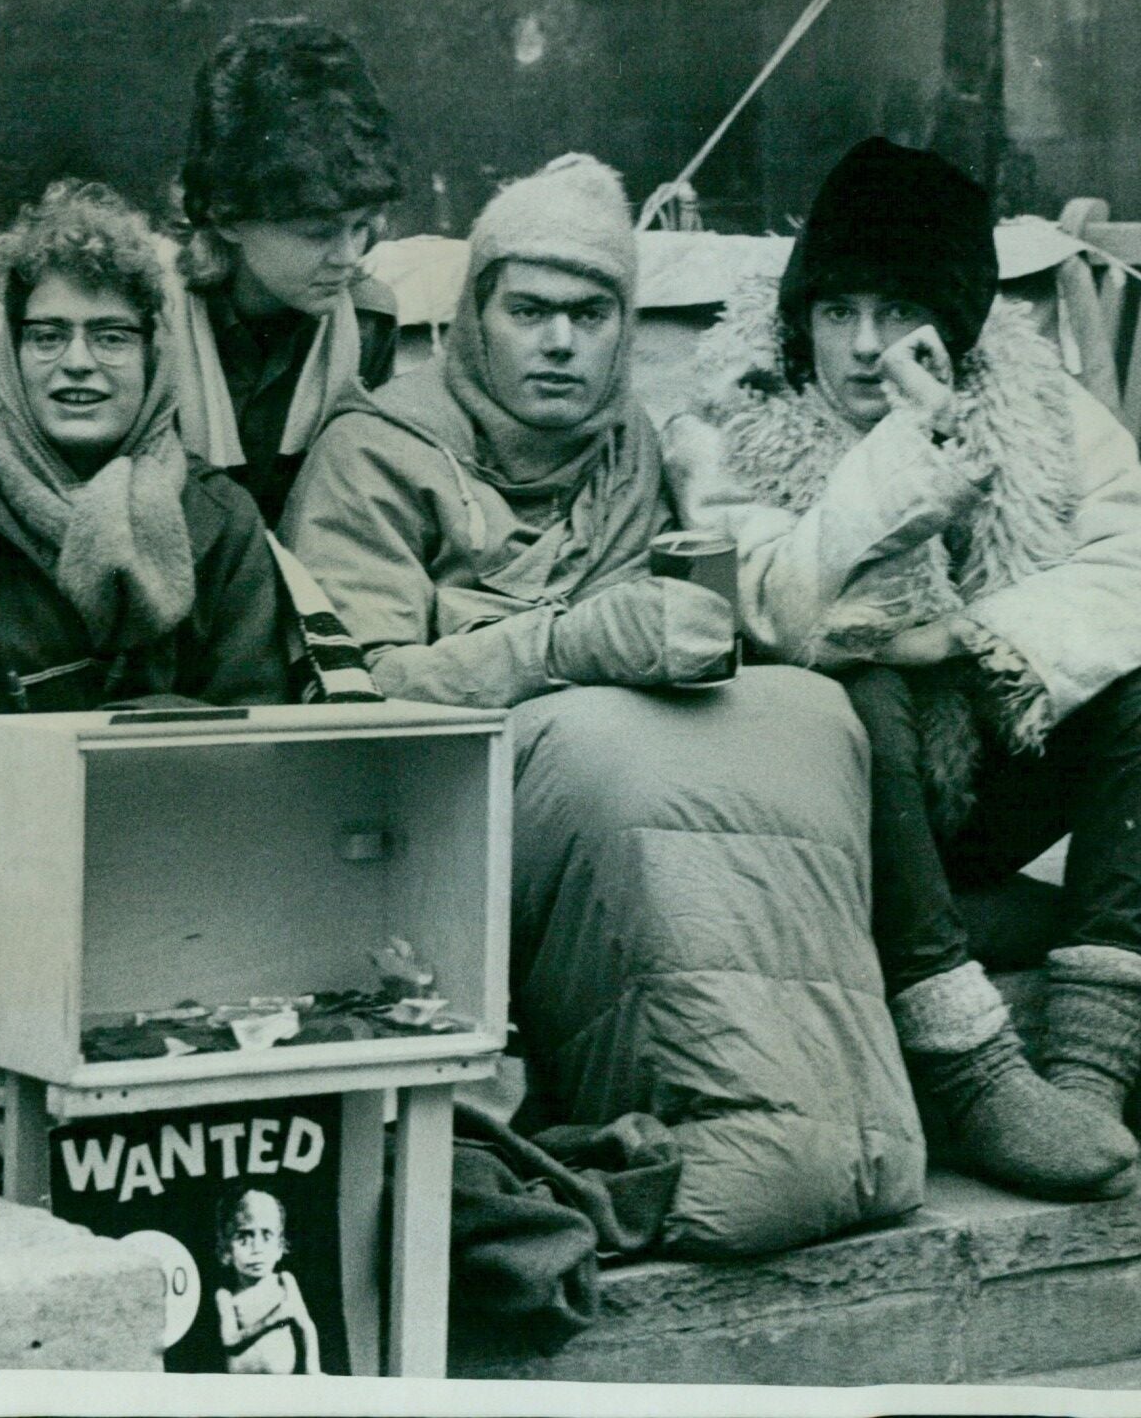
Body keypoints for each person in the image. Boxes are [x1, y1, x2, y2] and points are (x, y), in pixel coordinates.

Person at [282, 153, 925, 1258]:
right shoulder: (373, 449)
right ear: (474, 313)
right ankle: (719, 1130)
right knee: (615, 761)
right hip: (430, 819)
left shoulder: (624, 441)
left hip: (613, 789)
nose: (559, 341)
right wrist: (564, 640)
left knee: (805, 715)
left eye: (590, 312)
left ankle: (844, 1122)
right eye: (527, 308)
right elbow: (353, 690)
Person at [661, 138, 1141, 1201]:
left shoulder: (1038, 404)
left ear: (951, 322)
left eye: (898, 311)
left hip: (988, 775)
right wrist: (902, 455)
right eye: (835, 311)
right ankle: (968, 1061)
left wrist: (965, 638)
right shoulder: (736, 414)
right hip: (845, 810)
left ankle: (1086, 1071)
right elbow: (774, 604)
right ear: (798, 315)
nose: (863, 347)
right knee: (860, 688)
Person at [0, 181, 297, 1000]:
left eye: (111, 336)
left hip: (173, 918)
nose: (76, 363)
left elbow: (260, 753)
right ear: (11, 352)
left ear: (156, 352)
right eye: (47, 336)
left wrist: (73, 767)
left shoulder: (220, 524)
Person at [157, 18, 404, 524]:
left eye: (360, 226)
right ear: (227, 216)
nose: (348, 255)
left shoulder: (370, 322)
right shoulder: (147, 320)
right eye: (317, 232)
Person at [215, 1190, 320, 1375]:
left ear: (280, 1247)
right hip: (239, 1390)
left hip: (282, 1387)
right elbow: (230, 1342)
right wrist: (271, 1320)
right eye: (243, 1238)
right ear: (226, 1250)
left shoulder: (285, 1282)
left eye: (267, 1236)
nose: (257, 1249)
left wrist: (313, 1371)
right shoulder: (226, 1295)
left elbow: (306, 1327)